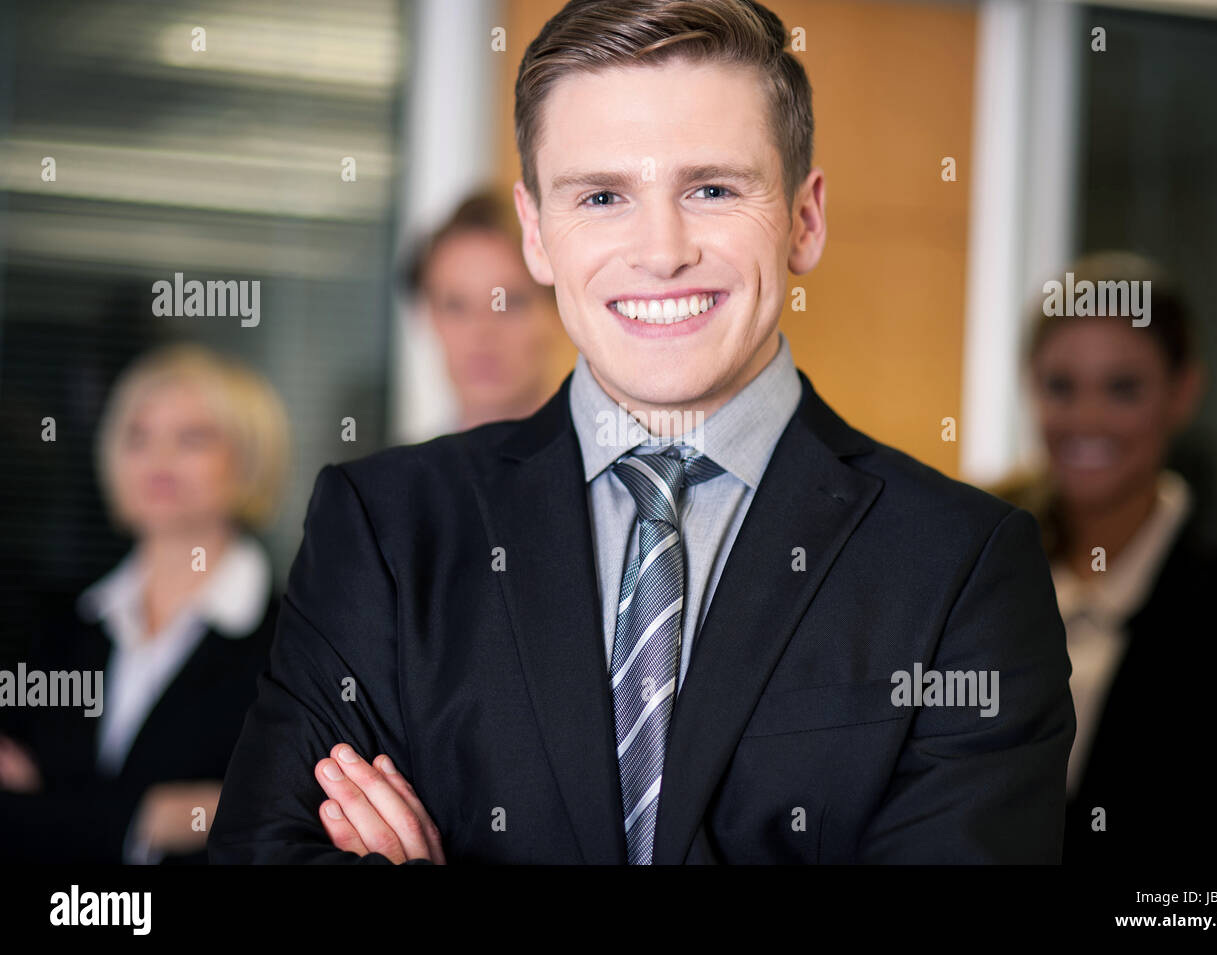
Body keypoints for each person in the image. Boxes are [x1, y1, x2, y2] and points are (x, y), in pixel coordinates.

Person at [209, 0, 1075, 865]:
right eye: (602, 195)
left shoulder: (961, 565)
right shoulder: (386, 529)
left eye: (712, 189)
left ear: (804, 220)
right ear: (537, 235)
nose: (661, 251)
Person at [993, 251, 1217, 863]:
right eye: (1061, 386)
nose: (1086, 419)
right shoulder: (981, 569)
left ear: (1182, 393)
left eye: (1123, 388)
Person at [0, 344, 290, 863]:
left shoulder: (294, 639)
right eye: (138, 436)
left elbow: (282, 815)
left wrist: (60, 810)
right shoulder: (56, 624)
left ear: (247, 458)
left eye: (191, 438)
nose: (159, 459)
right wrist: (151, 817)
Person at [402, 190, 562, 432]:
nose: (482, 331)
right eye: (456, 306)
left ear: (557, 313)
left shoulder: (617, 466)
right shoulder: (402, 469)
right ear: (428, 318)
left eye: (510, 303)